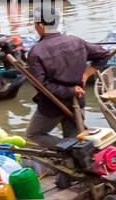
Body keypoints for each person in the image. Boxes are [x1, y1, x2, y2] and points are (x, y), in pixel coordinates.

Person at [25, 15, 110, 149]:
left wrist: (84, 76)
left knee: (34, 134)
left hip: (53, 105)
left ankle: (71, 149)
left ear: (40, 25)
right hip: (78, 99)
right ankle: (74, 151)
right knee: (75, 137)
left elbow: (41, 86)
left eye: (35, 25)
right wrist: (86, 74)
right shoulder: (76, 41)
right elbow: (104, 55)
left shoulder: (37, 52)